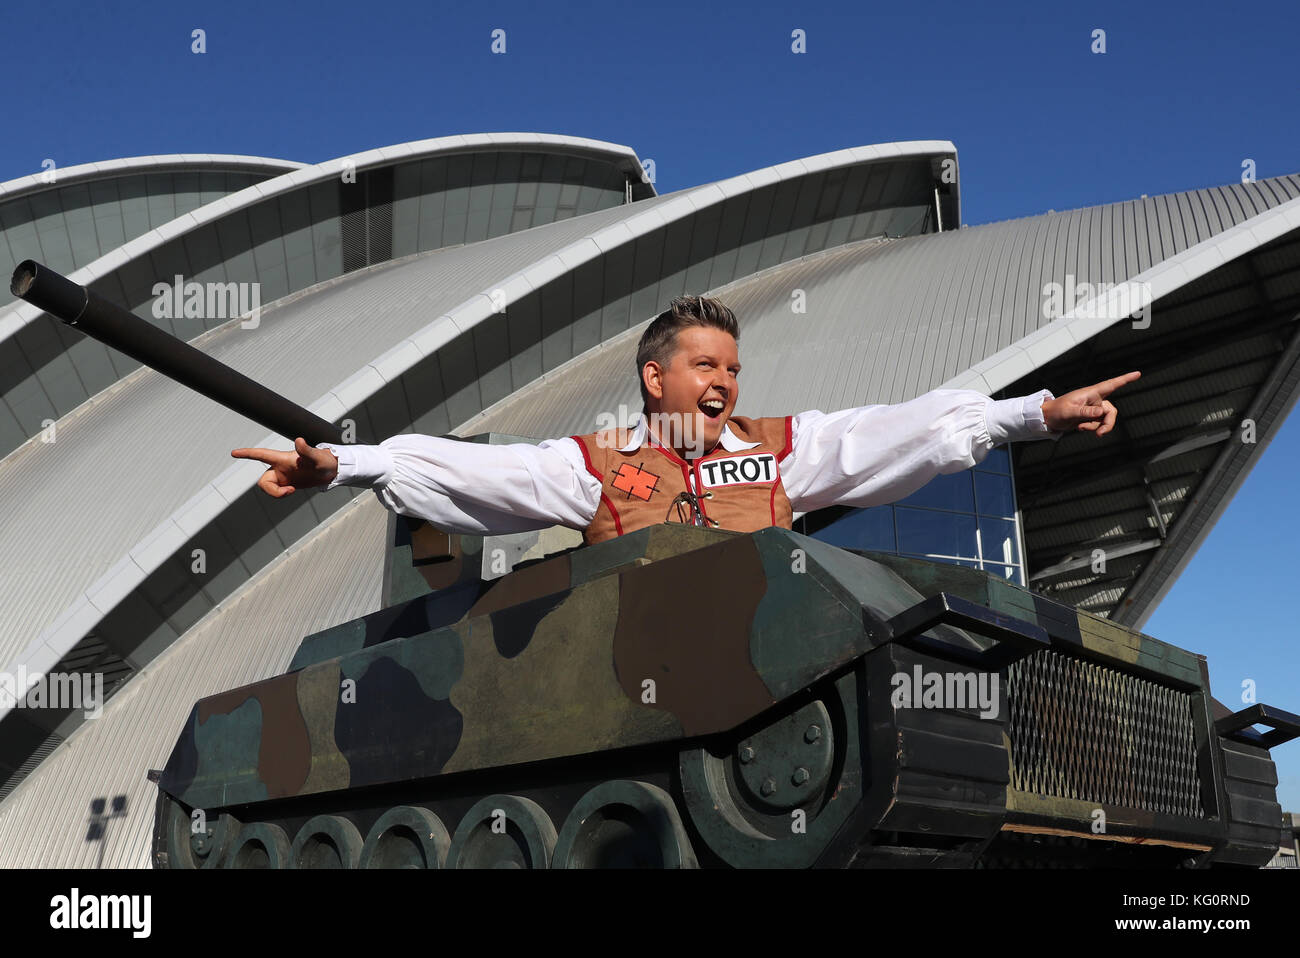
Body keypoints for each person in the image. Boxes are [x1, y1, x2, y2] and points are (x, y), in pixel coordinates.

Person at [232, 295, 1140, 545]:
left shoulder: (782, 452)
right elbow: (472, 472)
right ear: (655, 376)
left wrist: (1034, 413)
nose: (726, 383)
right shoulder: (596, 464)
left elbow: (899, 428)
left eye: (735, 369)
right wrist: (346, 466)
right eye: (706, 365)